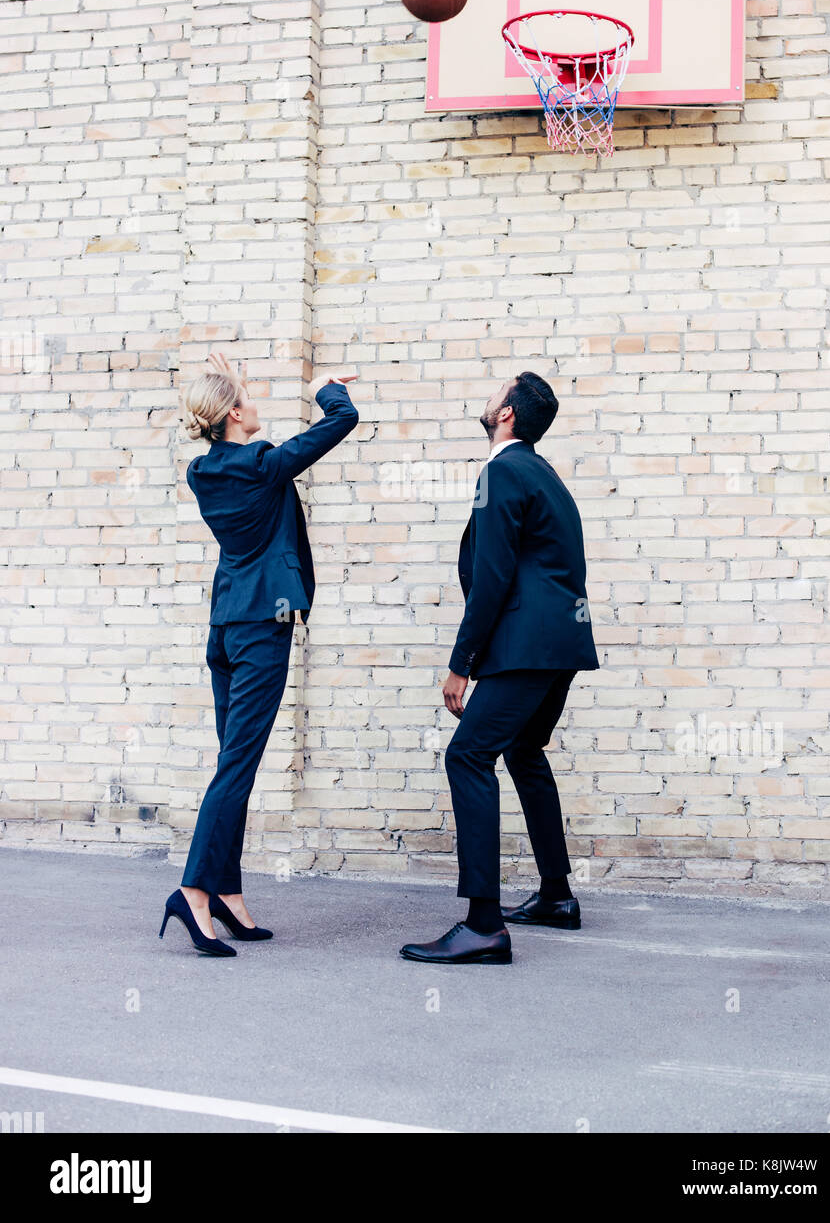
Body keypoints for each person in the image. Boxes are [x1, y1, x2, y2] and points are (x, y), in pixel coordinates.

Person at [160, 352, 359, 956]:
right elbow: (339, 422)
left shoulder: (205, 471)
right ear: (235, 414)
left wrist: (231, 384)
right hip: (260, 629)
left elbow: (237, 446)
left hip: (224, 627)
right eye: (247, 396)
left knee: (233, 762)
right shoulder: (266, 465)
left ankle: (228, 892)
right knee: (237, 766)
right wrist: (327, 389)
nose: (256, 401)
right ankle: (194, 890)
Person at [400, 372, 599, 966]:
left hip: (524, 645)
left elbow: (492, 577)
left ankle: (483, 924)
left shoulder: (504, 471)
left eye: (495, 392)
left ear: (507, 413)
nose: (486, 398)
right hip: (558, 644)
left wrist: (462, 665)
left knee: (466, 756)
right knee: (524, 753)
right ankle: (557, 897)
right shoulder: (546, 475)